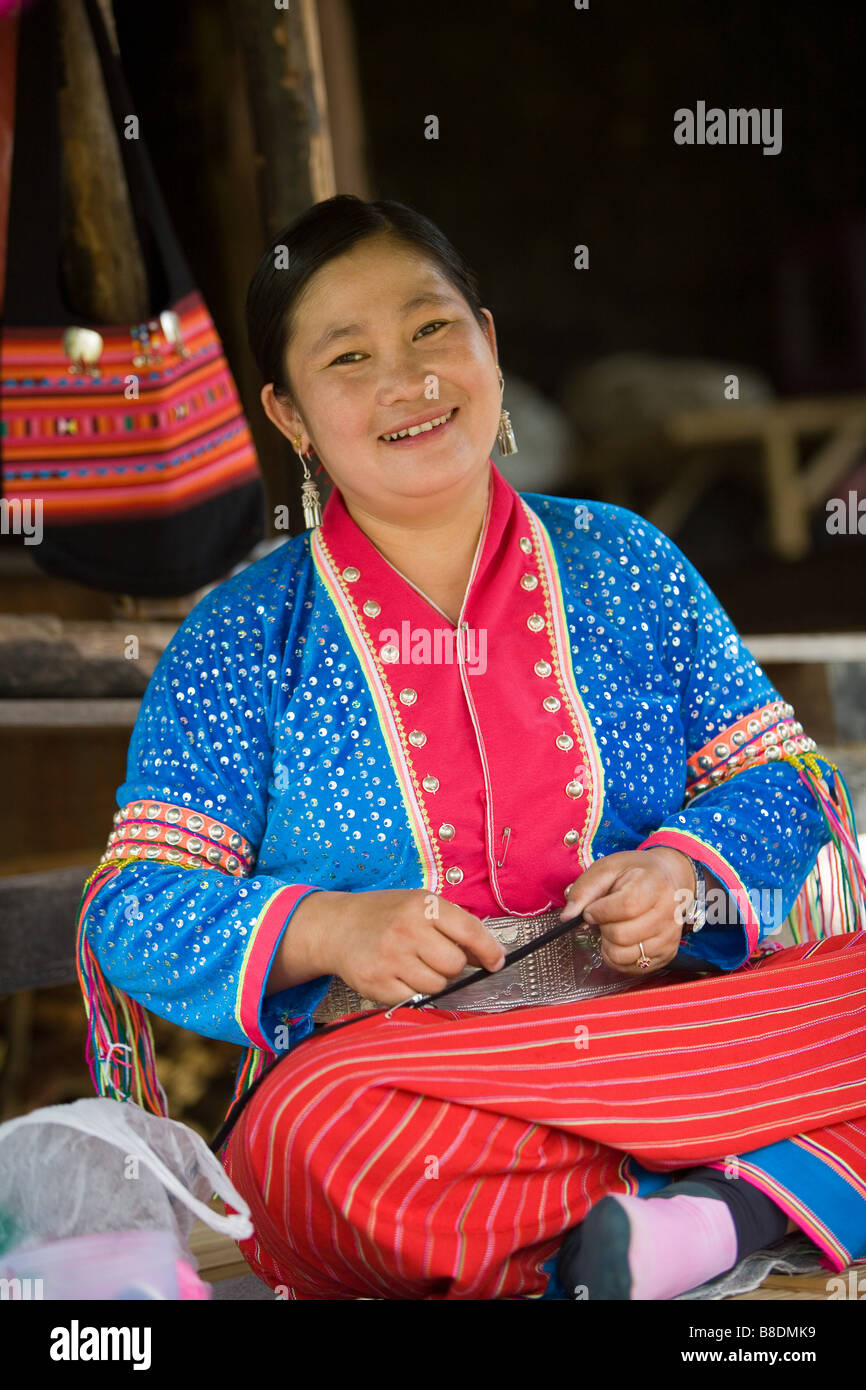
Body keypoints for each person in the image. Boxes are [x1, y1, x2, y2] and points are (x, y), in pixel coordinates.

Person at [76, 195, 866, 1301]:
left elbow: (785, 784)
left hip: (666, 1024)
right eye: (347, 355)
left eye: (430, 330)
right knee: (305, 1147)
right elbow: (135, 903)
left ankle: (689, 1222)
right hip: (411, 1082)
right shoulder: (243, 637)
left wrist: (681, 875)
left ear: (488, 343)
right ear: (289, 413)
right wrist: (325, 927)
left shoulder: (624, 563)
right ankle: (739, 1195)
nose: (406, 377)